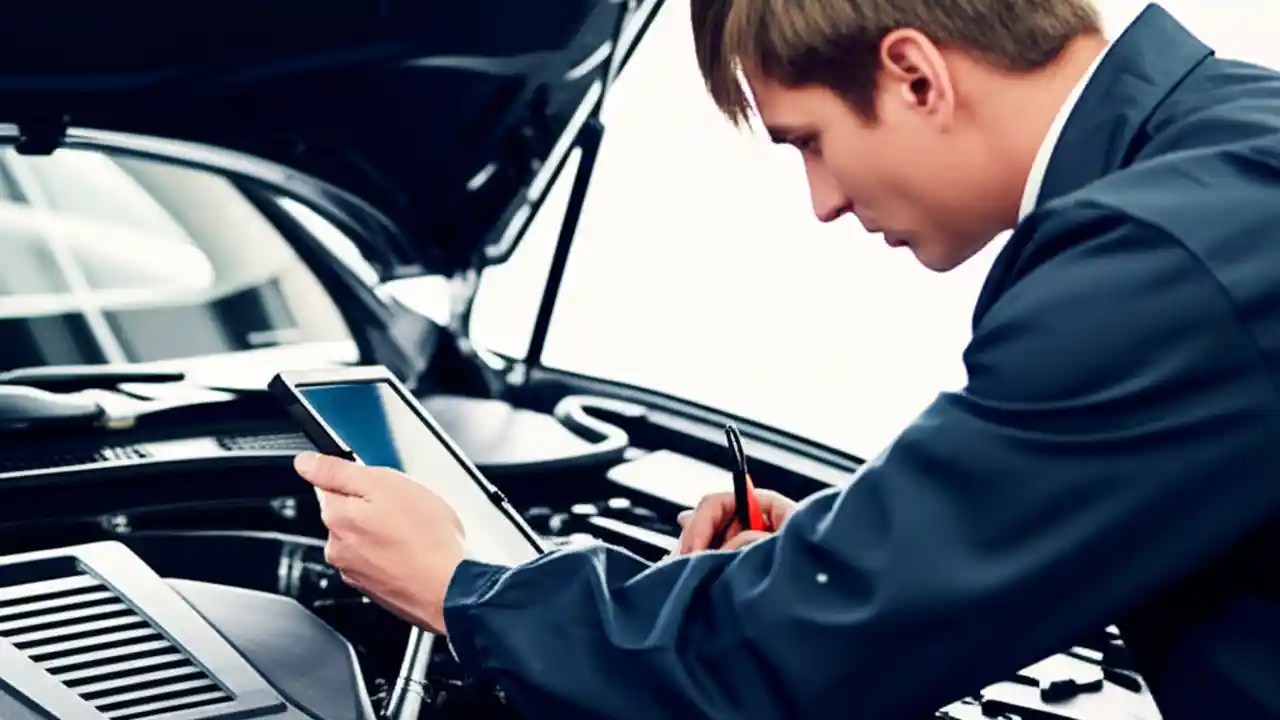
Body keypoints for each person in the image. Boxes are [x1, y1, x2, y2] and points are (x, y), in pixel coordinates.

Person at [292, 0, 1280, 716]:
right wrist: (843, 545)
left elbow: (811, 652)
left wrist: (463, 590)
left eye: (807, 141)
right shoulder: (1228, 154)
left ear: (915, 76)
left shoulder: (1154, 265)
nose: (823, 202)